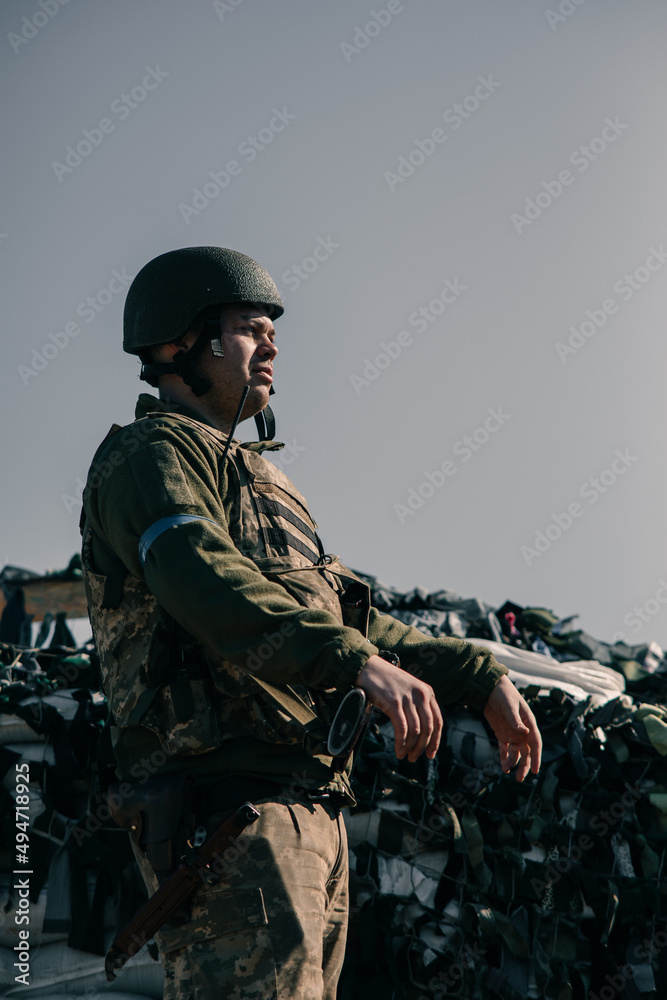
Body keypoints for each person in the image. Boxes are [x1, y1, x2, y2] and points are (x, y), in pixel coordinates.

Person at [81, 246, 541, 1000]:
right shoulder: (149, 455)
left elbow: (356, 619)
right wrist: (353, 664)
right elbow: (204, 579)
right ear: (176, 344)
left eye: (272, 333)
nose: (271, 348)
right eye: (249, 328)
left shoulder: (262, 478)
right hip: (226, 810)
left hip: (310, 806)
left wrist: (476, 673)